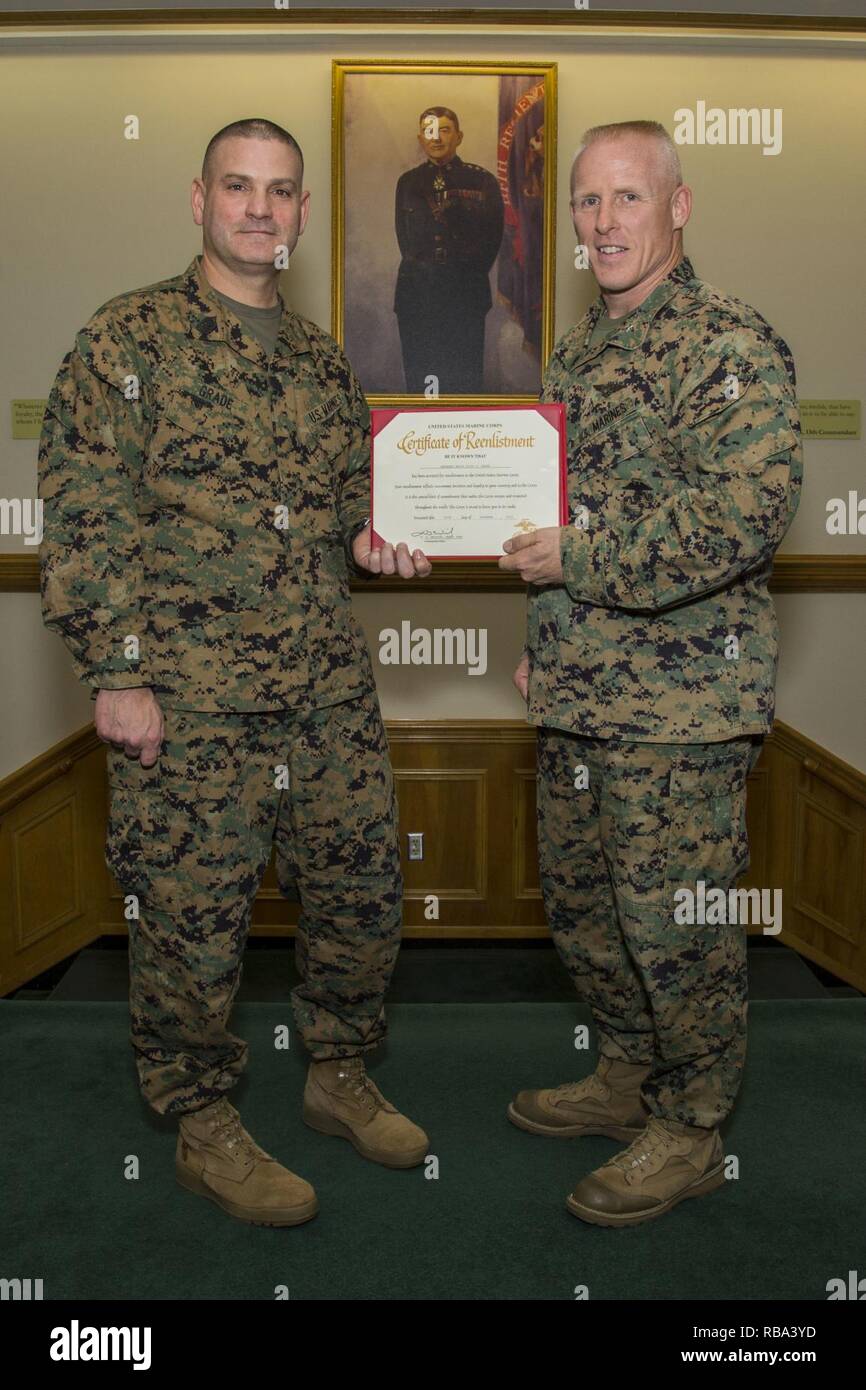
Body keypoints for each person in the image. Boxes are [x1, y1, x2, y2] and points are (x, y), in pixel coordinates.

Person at [38, 117, 432, 1229]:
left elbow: (349, 513)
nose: (260, 208)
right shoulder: (130, 339)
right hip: (188, 692)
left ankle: (337, 1071)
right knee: (189, 916)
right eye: (238, 186)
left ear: (303, 214)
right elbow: (82, 513)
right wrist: (117, 675)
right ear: (198, 198)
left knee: (359, 890)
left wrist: (379, 542)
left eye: (281, 191)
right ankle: (203, 1125)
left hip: (323, 686)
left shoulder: (319, 361)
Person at [500, 120, 802, 1227]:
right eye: (586, 202)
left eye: (627, 199)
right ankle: (627, 1070)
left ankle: (691, 1123)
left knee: (675, 925)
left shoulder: (726, 343)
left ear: (677, 206)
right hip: (581, 694)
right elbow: (555, 511)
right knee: (586, 913)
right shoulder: (577, 353)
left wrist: (572, 559)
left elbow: (739, 518)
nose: (603, 222)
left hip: (680, 706)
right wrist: (547, 636)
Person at [394, 106, 504, 395]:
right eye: (430, 131)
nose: (437, 138)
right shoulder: (408, 183)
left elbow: (492, 240)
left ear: (459, 137)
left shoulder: (482, 182)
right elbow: (405, 241)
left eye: (444, 129)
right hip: (417, 295)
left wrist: (458, 276)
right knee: (420, 382)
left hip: (463, 296)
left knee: (464, 383)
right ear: (421, 138)